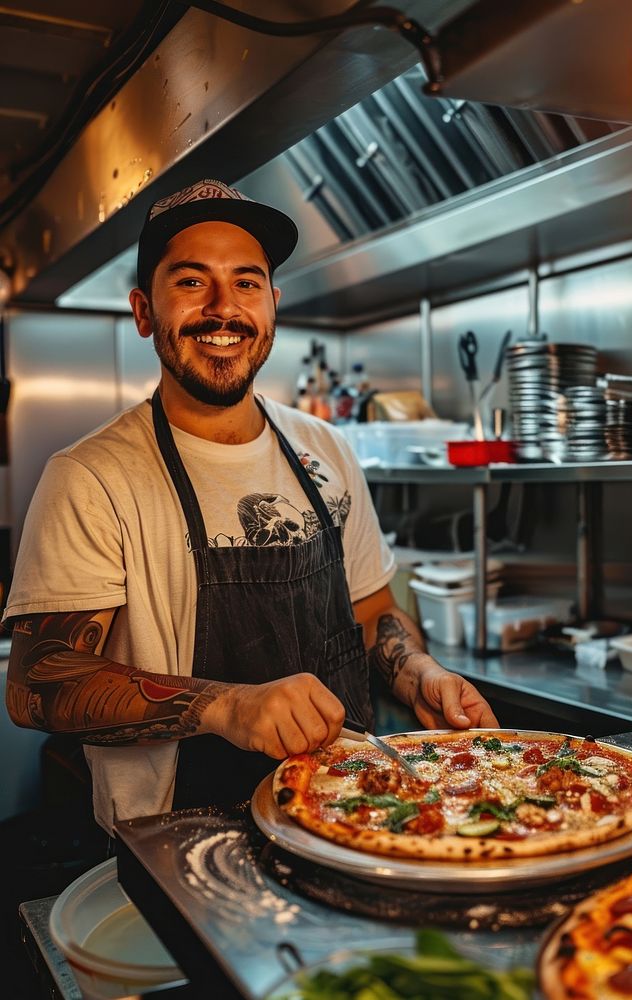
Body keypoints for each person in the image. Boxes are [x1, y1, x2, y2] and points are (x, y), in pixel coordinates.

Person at [3, 178, 498, 833]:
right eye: (189, 282)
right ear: (144, 310)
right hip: (177, 838)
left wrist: (421, 675)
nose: (222, 308)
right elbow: (39, 681)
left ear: (271, 304)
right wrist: (228, 708)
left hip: (353, 814)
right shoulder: (93, 476)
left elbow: (374, 615)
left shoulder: (326, 448)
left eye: (246, 282)